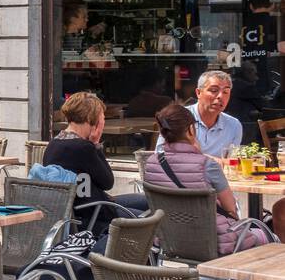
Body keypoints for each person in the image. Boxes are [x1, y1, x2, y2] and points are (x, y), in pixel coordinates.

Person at [145, 103, 268, 256]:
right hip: (215, 242)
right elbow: (231, 210)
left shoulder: (151, 163)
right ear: (191, 130)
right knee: (266, 235)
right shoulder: (207, 165)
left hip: (168, 240)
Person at [44, 91, 119, 240]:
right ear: (92, 119)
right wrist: (96, 143)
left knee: (139, 201)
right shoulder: (84, 147)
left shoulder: (53, 144)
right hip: (94, 217)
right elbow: (108, 182)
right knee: (147, 213)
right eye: (102, 119)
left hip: (70, 215)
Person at [154, 69, 241, 158]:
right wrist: (211, 161)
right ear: (198, 93)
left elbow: (232, 164)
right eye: (214, 90)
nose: (220, 96)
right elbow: (161, 155)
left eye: (225, 92)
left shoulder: (234, 125)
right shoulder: (178, 116)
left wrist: (198, 157)